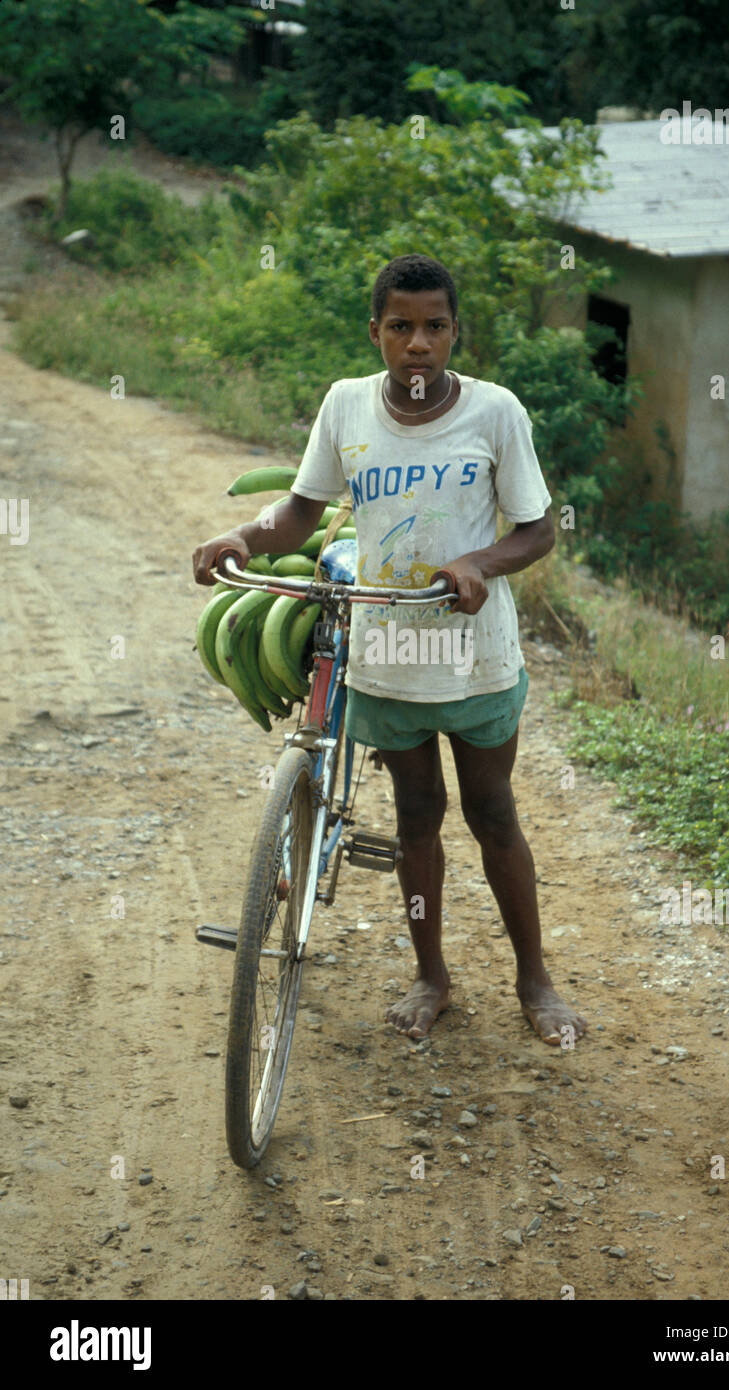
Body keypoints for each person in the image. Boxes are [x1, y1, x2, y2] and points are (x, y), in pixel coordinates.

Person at [193, 253, 586, 1048]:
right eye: (400, 327)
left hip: (474, 656)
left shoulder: (496, 413)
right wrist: (242, 532)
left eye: (434, 327)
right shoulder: (346, 407)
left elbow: (538, 530)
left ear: (453, 334)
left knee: (493, 812)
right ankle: (431, 975)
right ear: (375, 332)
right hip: (388, 655)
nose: (417, 344)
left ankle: (533, 977)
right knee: (416, 817)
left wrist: (479, 563)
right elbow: (302, 512)